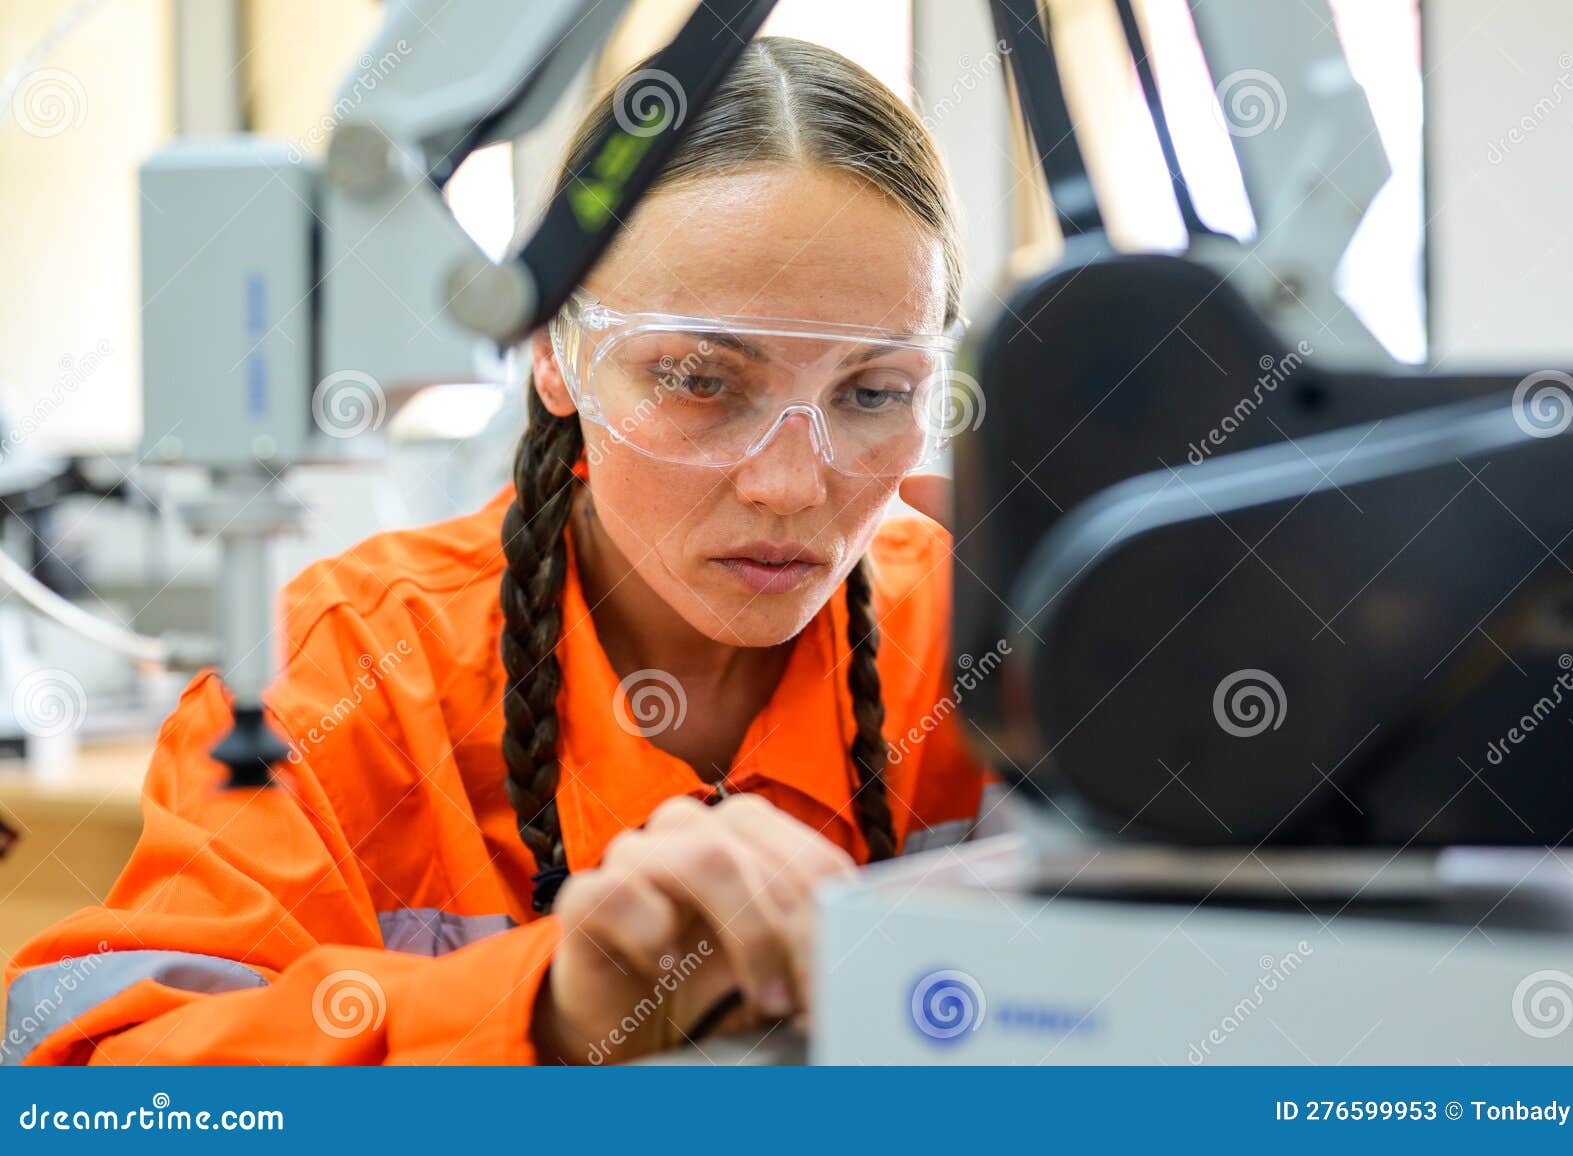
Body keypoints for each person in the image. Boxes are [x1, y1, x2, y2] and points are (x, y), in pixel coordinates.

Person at [3, 36, 989, 1066]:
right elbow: (94, 1098)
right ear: (556, 352)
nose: (789, 487)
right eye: (700, 379)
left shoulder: (994, 647)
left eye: (874, 394)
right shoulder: (340, 681)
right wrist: (543, 1010)